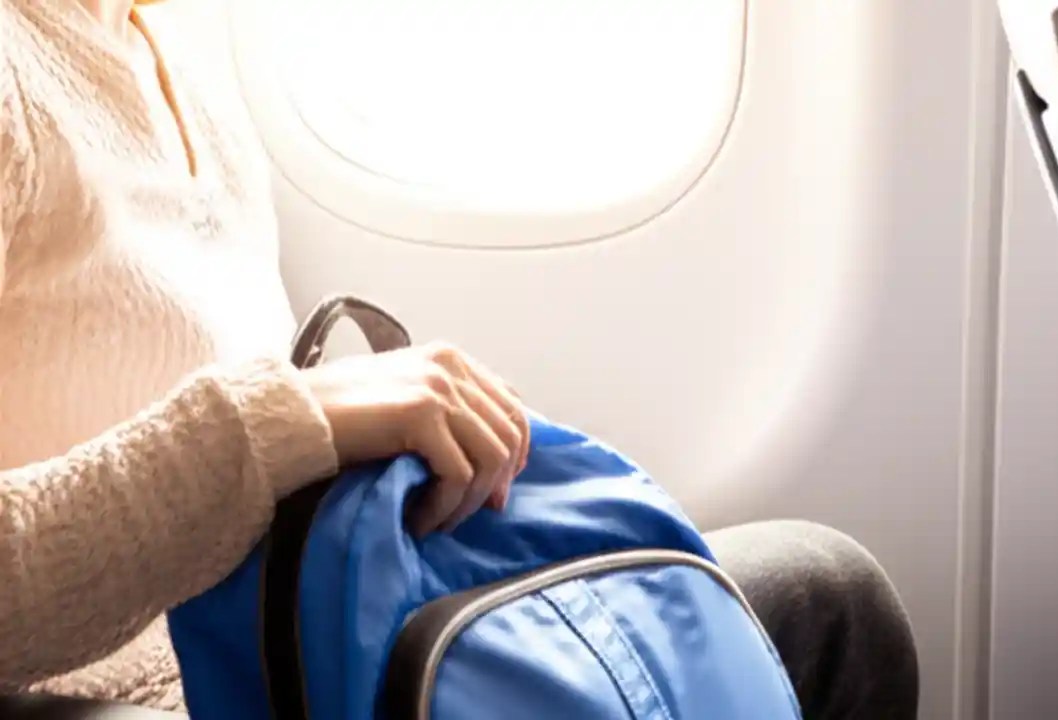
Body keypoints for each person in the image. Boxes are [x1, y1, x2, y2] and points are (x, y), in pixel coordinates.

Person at [0, 0, 919, 717]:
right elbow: (252, 432)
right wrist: (287, 422)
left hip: (310, 636)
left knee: (830, 607)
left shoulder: (171, 56)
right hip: (149, 691)